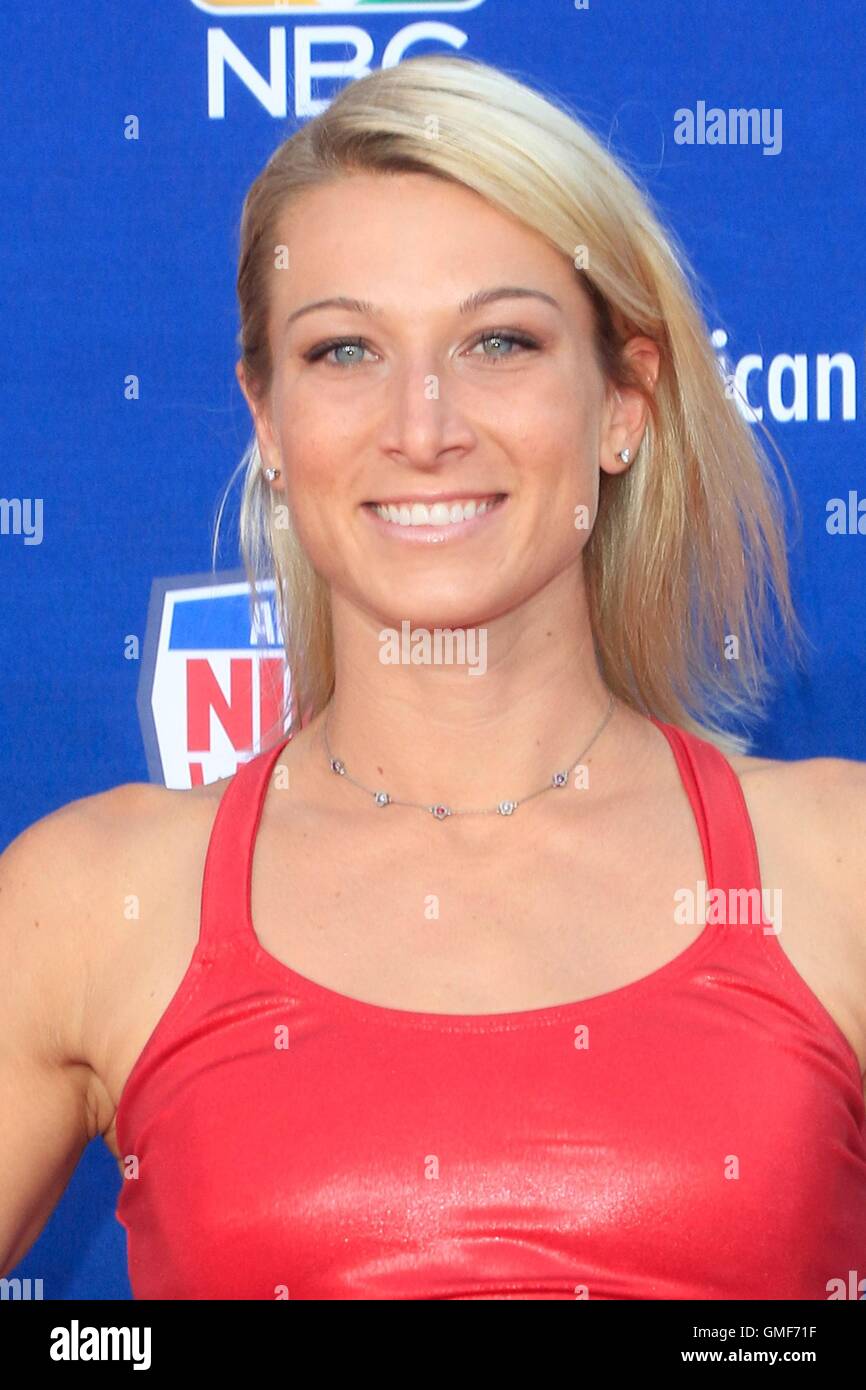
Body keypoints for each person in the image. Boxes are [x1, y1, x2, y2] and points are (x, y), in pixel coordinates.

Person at [2, 55, 865, 1302]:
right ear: (268, 420)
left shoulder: (837, 870)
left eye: (498, 342)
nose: (422, 427)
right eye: (344, 350)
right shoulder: (92, 903)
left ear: (623, 401)